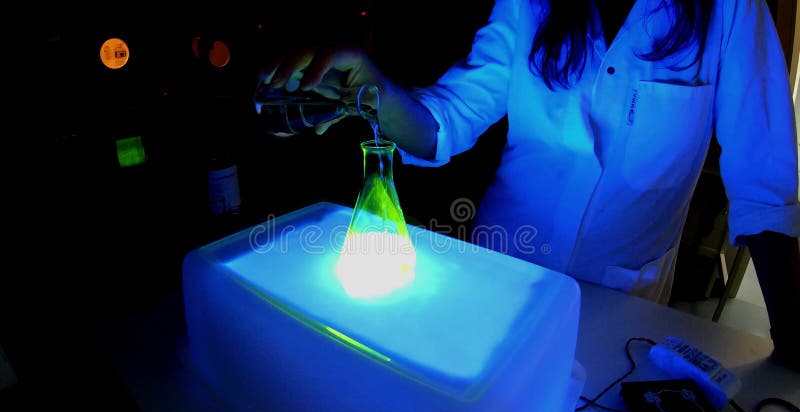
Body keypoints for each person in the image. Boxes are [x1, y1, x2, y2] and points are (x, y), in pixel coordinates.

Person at [260, 0, 800, 369]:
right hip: (496, 279)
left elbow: (765, 185)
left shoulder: (728, 9)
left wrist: (792, 341)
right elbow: (447, 121)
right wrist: (372, 89)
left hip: (618, 311)